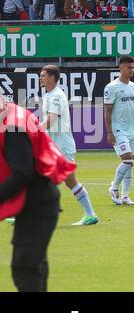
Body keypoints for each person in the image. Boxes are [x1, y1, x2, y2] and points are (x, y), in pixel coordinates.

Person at [0, 95, 73, 290]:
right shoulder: (13, 115)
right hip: (37, 199)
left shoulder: (12, 126)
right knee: (34, 264)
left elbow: (22, 173)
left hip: (37, 202)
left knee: (25, 266)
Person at [36, 65, 97, 225]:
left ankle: (90, 214)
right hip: (55, 147)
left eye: (43, 75)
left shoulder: (56, 96)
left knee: (67, 181)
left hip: (61, 147)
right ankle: (90, 214)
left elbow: (51, 121)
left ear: (51, 77)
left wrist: (33, 130)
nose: (40, 78)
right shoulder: (49, 95)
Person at [104, 55, 134, 206]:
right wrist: (109, 132)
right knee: (127, 159)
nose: (132, 70)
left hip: (132, 130)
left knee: (130, 163)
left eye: (133, 67)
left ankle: (125, 196)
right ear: (121, 67)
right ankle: (114, 188)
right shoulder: (111, 87)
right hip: (118, 130)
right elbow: (107, 111)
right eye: (129, 67)